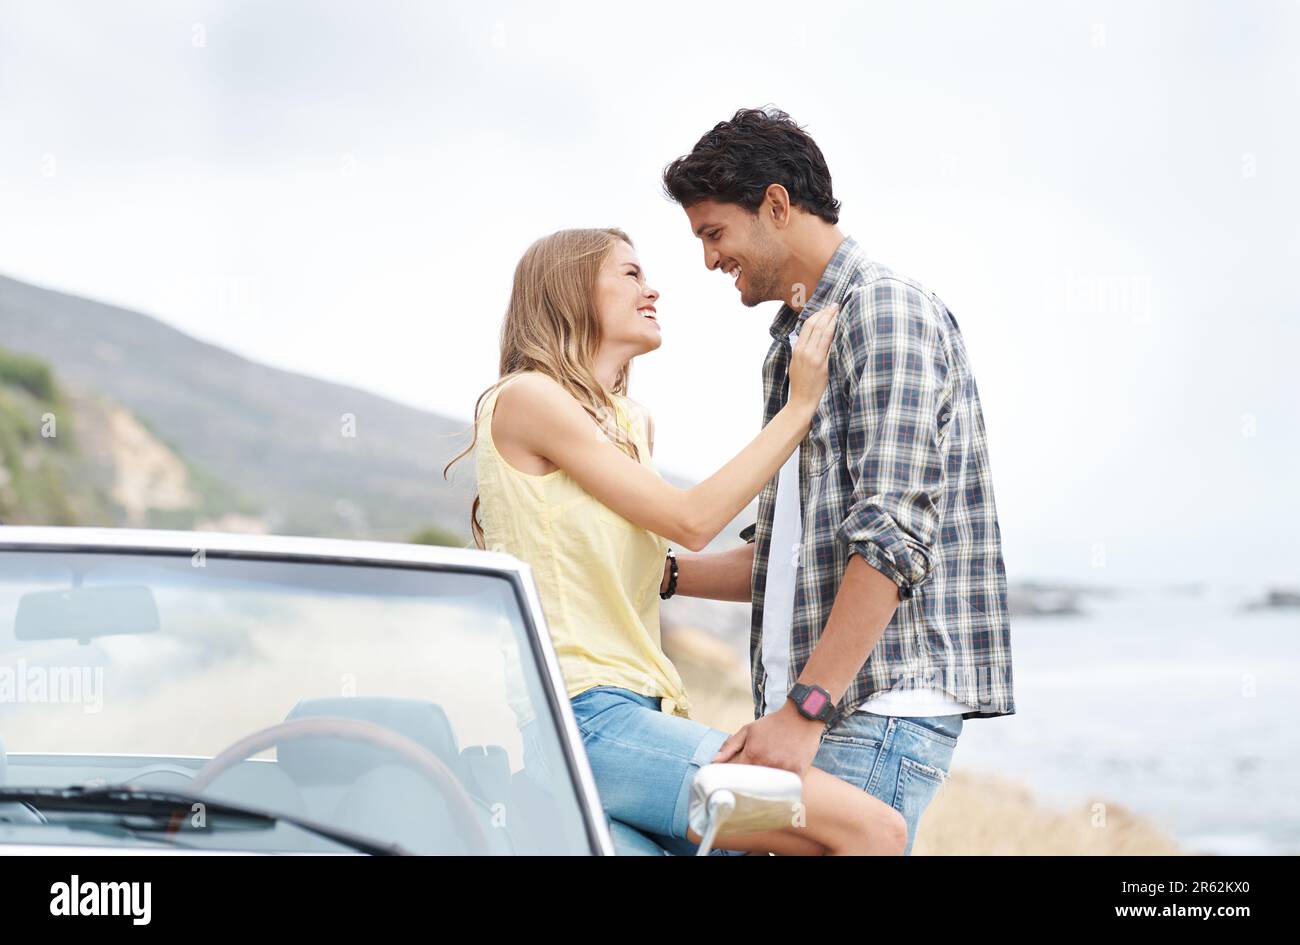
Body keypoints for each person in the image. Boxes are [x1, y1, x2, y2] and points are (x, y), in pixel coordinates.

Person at [446, 226, 906, 855]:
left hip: (642, 712)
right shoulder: (527, 399)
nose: (652, 288)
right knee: (873, 830)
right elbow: (691, 521)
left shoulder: (629, 423)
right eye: (630, 274)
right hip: (582, 717)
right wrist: (798, 409)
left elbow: (665, 561)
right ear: (570, 289)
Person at [660, 107, 1016, 855]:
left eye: (714, 233)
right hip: (825, 715)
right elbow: (785, 561)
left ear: (776, 204)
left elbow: (890, 539)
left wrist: (806, 710)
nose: (709, 260)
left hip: (866, 718)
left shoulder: (884, 311)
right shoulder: (800, 344)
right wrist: (664, 575)